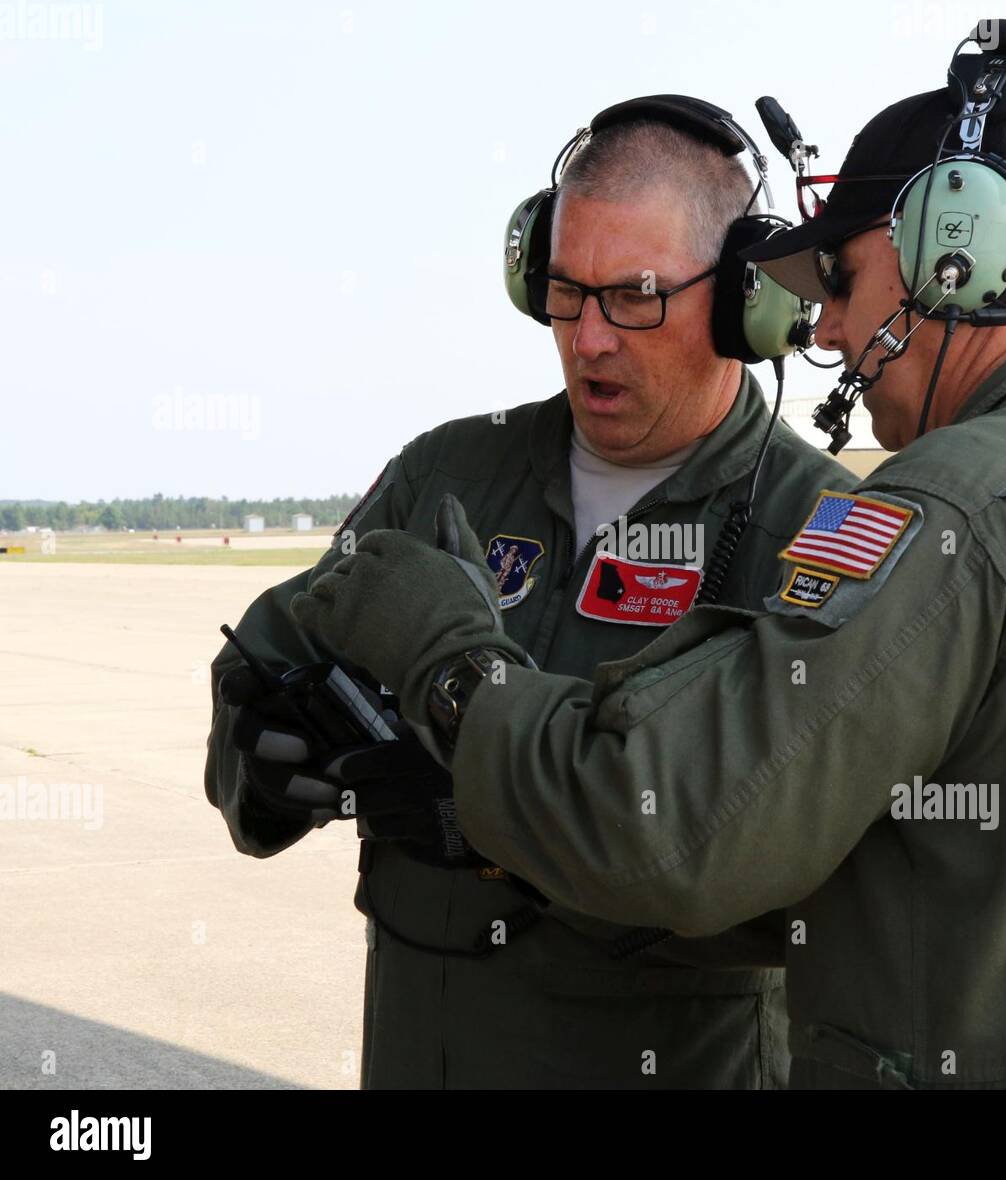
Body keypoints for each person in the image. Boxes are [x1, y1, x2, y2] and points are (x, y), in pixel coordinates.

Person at [289, 24, 1006, 1089]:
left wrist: (451, 664)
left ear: (955, 253)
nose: (827, 332)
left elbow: (671, 820)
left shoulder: (956, 511)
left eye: (845, 279)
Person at [204, 95, 856, 1089]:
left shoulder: (818, 532)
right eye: (563, 292)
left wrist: (503, 821)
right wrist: (259, 760)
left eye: (635, 298)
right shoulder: (448, 473)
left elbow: (812, 883)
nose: (588, 337)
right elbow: (272, 648)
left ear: (742, 299)